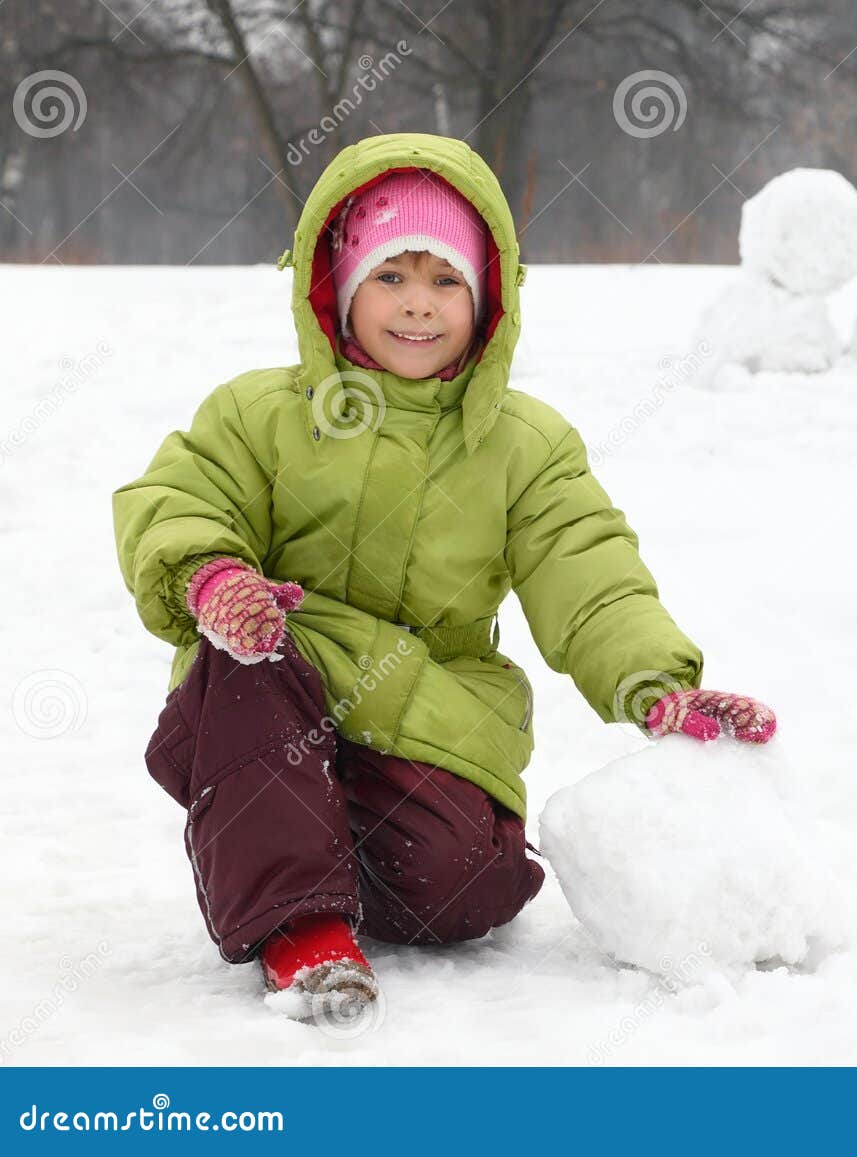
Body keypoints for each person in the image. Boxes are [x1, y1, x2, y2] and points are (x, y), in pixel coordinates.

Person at [111, 133, 777, 1019]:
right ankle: (300, 925)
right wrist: (211, 576)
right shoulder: (261, 413)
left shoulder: (521, 442)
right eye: (390, 276)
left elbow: (587, 566)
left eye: (444, 280)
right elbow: (181, 497)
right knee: (252, 668)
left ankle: (307, 840)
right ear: (337, 287)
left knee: (462, 891)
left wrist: (653, 680)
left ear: (487, 297)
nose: (418, 306)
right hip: (276, 673)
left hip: (429, 709)